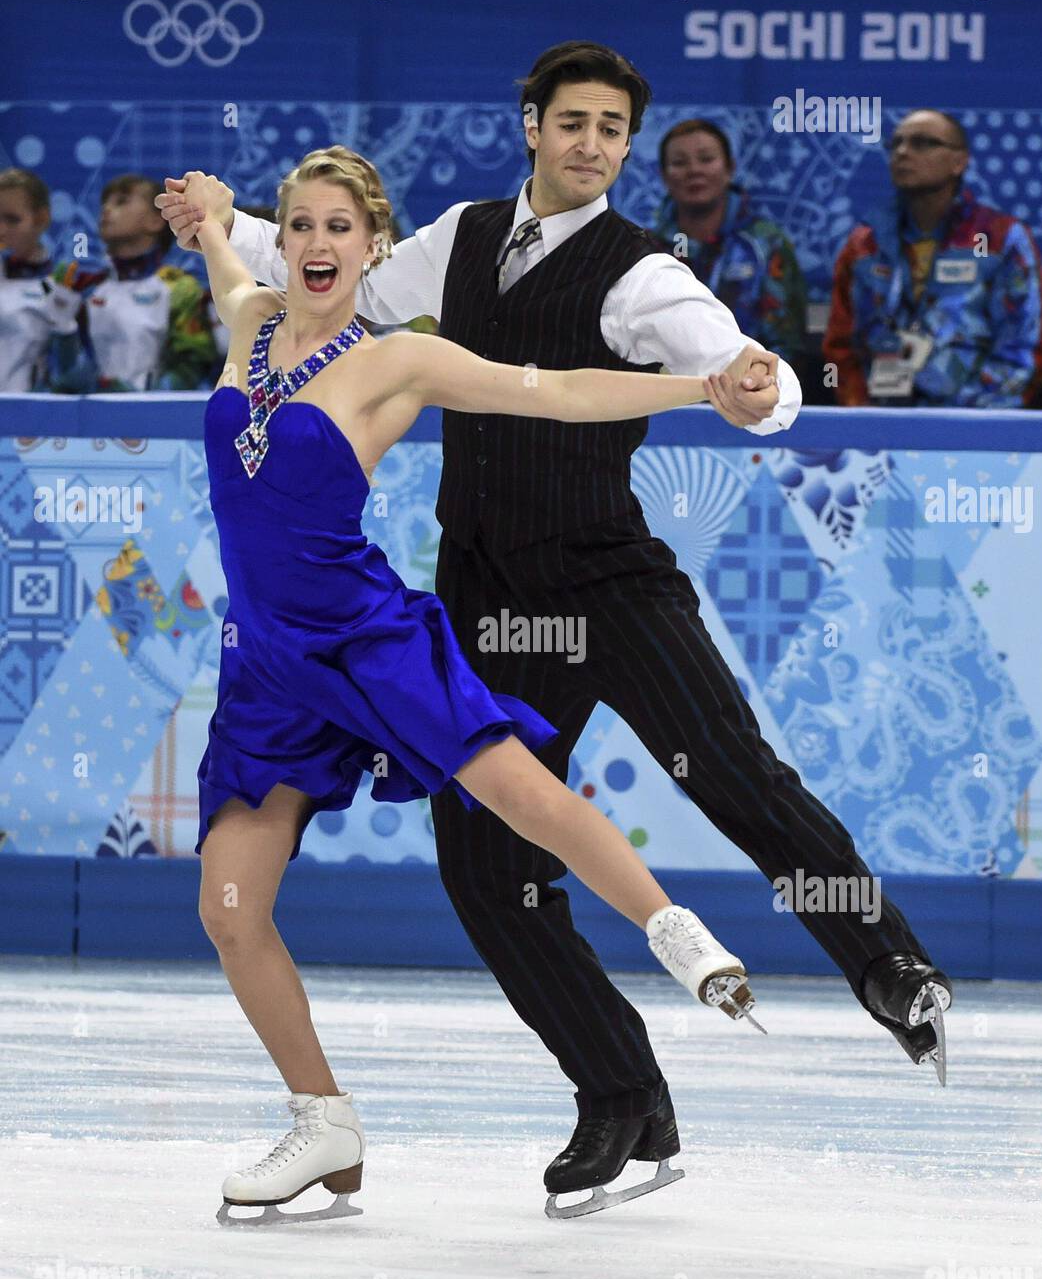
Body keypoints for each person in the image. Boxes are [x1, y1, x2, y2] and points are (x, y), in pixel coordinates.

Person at [158, 41, 952, 1215]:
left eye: (611, 130)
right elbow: (318, 258)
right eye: (570, 122)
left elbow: (723, 369)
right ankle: (621, 1098)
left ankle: (886, 965)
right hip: (484, 591)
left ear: (627, 146)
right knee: (486, 868)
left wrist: (750, 386)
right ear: (530, 125)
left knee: (732, 771)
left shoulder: (644, 275)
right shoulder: (451, 240)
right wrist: (223, 218)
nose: (590, 144)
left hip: (605, 580)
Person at [189, 148, 770, 1224]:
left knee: (516, 792)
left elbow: (551, 393)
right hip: (266, 661)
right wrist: (215, 217)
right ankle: (324, 1123)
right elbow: (225, 265)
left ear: (372, 249)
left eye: (339, 230)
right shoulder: (251, 321)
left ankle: (673, 932)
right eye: (300, 226)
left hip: (362, 635)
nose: (317, 245)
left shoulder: (399, 358)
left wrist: (703, 384)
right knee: (230, 908)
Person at [824, 108, 1042, 407]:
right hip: (880, 420)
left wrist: (968, 421)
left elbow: (1027, 348)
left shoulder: (1001, 238)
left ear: (959, 161)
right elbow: (841, 347)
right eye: (896, 144)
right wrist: (865, 418)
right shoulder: (865, 243)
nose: (903, 153)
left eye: (922, 143)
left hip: (977, 424)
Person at [651, 118, 807, 372]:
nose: (694, 170)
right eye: (679, 162)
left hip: (752, 389)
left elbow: (787, 342)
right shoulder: (645, 248)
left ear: (730, 168)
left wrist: (758, 384)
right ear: (664, 176)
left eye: (706, 159)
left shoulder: (767, 244)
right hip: (664, 393)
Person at [68, 173, 217, 392]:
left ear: (156, 221)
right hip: (89, 416)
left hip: (154, 416)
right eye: (104, 203)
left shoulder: (181, 289)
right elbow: (70, 367)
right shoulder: (86, 288)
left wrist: (145, 397)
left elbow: (192, 365)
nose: (106, 210)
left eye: (121, 201)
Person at [0, 168, 94, 392]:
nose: (0, 230)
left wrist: (65, 328)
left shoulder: (61, 290)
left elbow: (73, 378)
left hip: (23, 419)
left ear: (41, 219)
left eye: (12, 220)